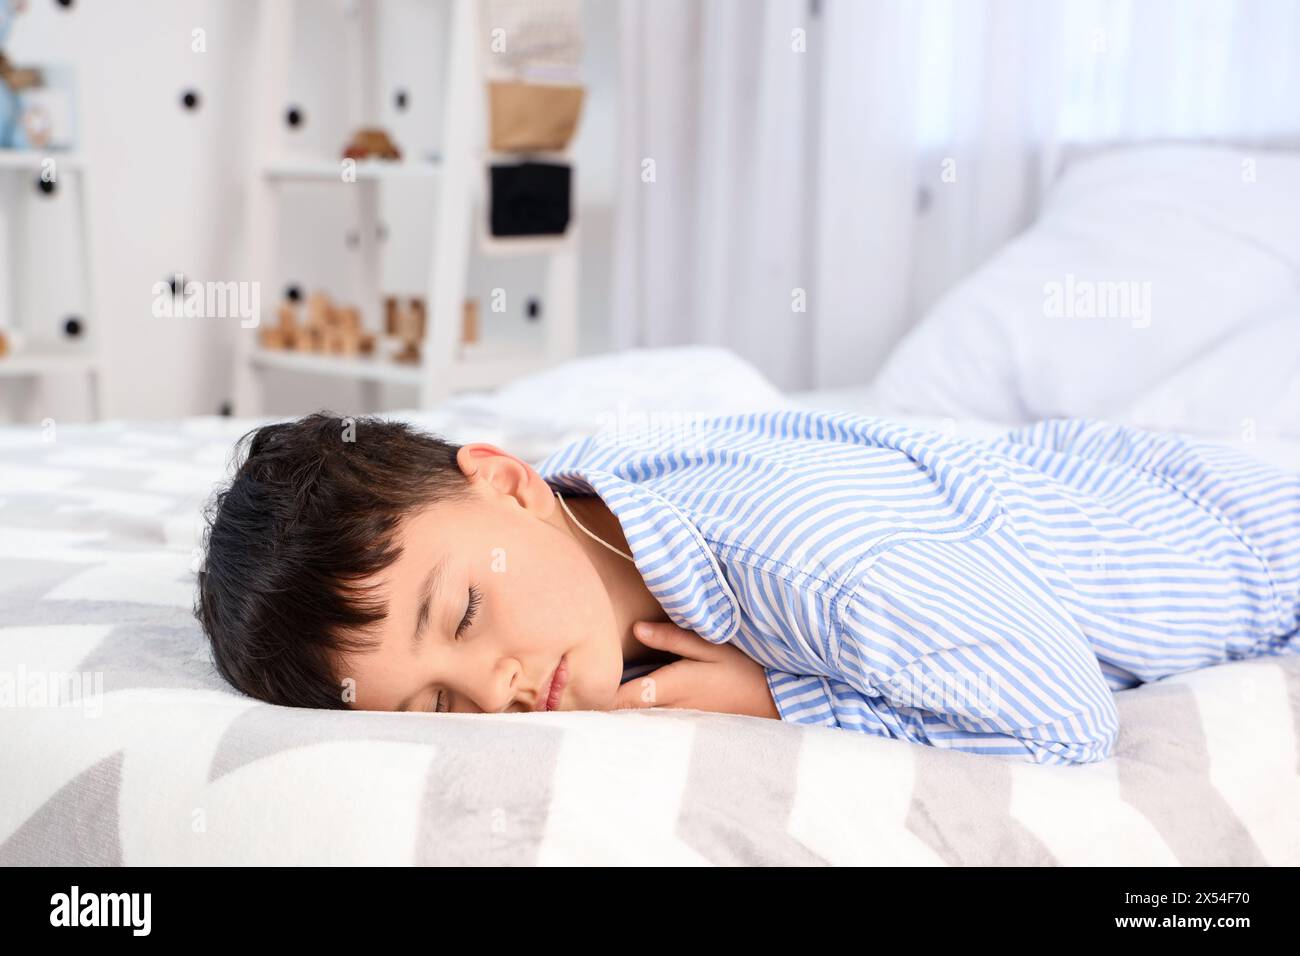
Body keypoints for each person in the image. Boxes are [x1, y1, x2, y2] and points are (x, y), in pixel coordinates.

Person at [194, 410, 1300, 766]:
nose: (494, 689)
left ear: (509, 478)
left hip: (1260, 546)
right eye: (433, 705)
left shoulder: (808, 567)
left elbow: (1065, 716)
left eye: (463, 612)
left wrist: (786, 700)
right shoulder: (587, 514)